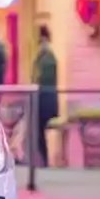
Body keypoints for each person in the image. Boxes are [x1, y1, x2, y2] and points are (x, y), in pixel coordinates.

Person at [32, 25, 60, 166]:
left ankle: (44, 162)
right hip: (46, 99)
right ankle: (43, 161)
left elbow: (43, 80)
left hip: (44, 101)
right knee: (37, 133)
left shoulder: (46, 58)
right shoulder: (47, 56)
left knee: (38, 132)